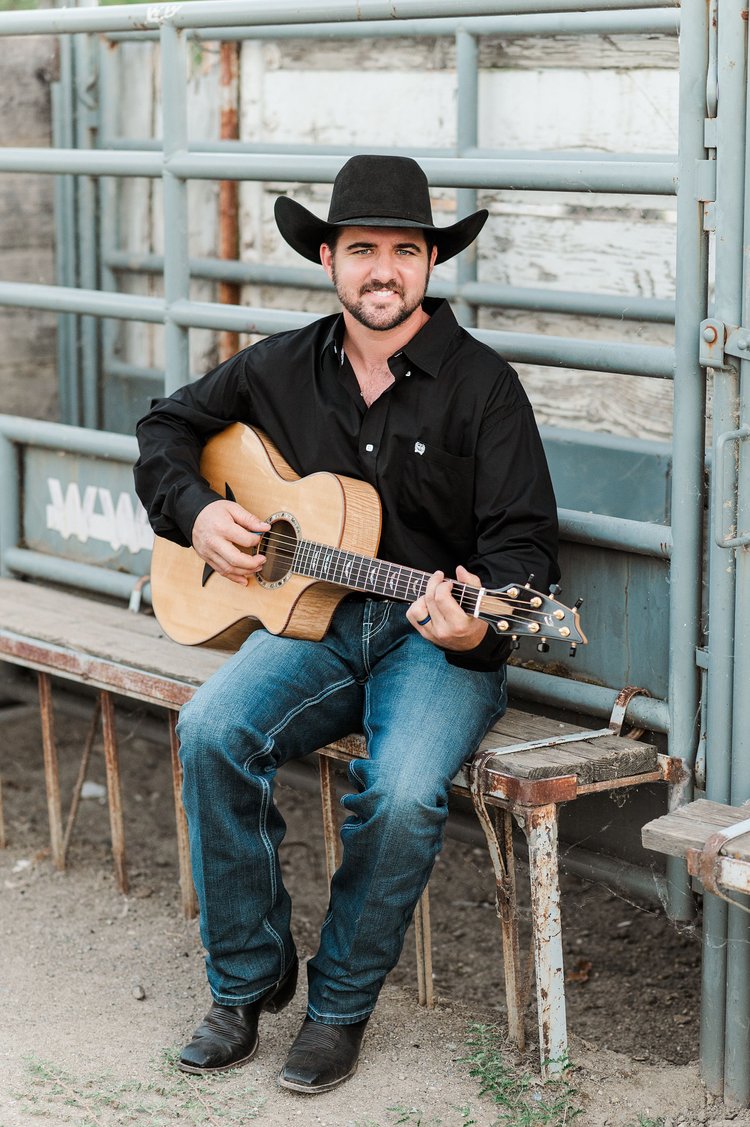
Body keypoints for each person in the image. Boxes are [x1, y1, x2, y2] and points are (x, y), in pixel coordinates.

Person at [133, 154, 559, 1094]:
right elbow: (163, 429)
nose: (382, 270)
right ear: (327, 258)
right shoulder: (277, 366)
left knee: (404, 793)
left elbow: (526, 556)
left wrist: (474, 628)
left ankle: (335, 1011)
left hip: (433, 643)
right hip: (309, 624)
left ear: (429, 264)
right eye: (361, 248)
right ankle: (245, 982)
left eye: (404, 251)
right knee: (209, 731)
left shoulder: (484, 389)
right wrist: (199, 512)